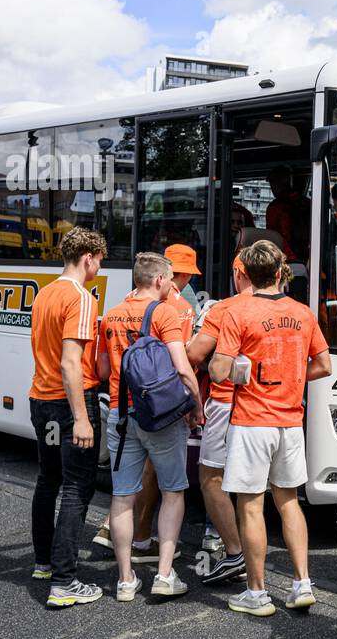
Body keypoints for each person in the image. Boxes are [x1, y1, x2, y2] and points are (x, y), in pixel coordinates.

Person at [209, 241, 332, 615]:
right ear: (280, 272)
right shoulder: (303, 313)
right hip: (290, 421)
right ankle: (301, 583)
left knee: (250, 507)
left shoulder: (236, 312)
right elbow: (324, 365)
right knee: (289, 502)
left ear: (244, 273)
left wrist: (243, 374)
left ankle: (257, 593)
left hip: (251, 422)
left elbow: (217, 369)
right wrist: (293, 378)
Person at [99, 252, 204, 601]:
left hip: (120, 413)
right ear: (159, 281)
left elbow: (102, 371)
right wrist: (196, 406)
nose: (173, 284)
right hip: (159, 416)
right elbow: (182, 365)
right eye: (171, 279)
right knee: (173, 491)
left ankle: (125, 579)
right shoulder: (164, 313)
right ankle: (163, 574)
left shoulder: (111, 315)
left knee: (123, 496)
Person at [28, 227, 107, 607]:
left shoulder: (45, 293)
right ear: (88, 256)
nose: (99, 267)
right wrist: (82, 418)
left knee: (49, 481)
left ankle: (44, 563)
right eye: (99, 260)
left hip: (40, 400)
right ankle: (64, 582)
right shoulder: (81, 298)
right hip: (67, 404)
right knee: (77, 488)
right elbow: (71, 362)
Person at [184, 256, 255, 586]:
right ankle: (281, 578)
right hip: (269, 409)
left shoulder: (223, 308)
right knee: (256, 489)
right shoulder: (291, 309)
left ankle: (233, 552)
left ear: (239, 274)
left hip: (226, 402)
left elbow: (195, 356)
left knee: (211, 476)